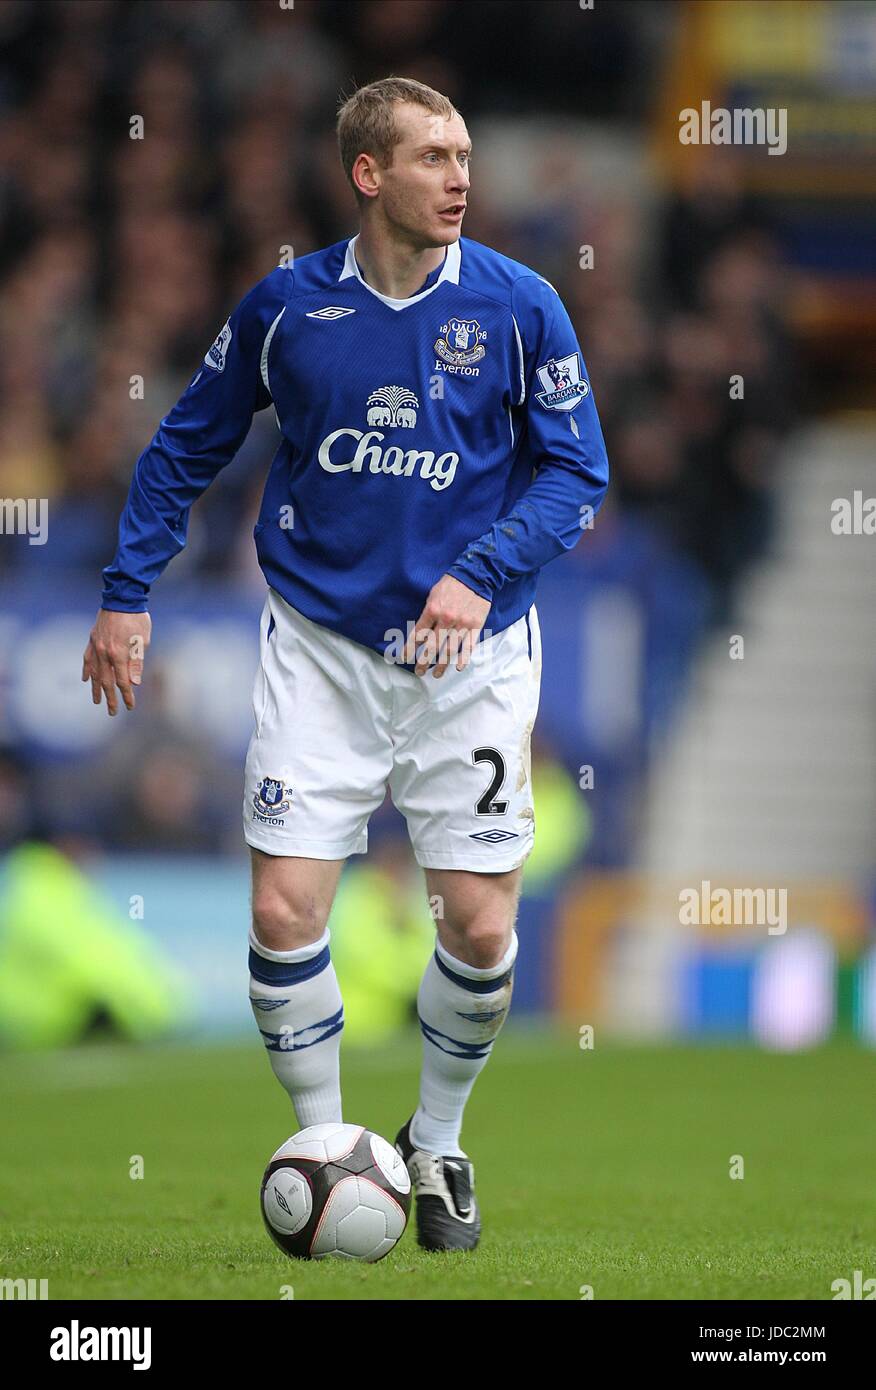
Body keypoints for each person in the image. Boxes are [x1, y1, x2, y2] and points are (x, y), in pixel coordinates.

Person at [82, 76, 609, 1252]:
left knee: (477, 927)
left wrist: (478, 574)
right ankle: (326, 1144)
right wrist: (127, 595)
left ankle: (439, 1138)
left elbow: (581, 474)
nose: (462, 175)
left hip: (468, 657)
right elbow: (185, 444)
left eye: (467, 152)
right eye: (432, 156)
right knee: (281, 909)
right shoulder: (287, 311)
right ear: (368, 175)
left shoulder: (522, 309)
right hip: (320, 646)